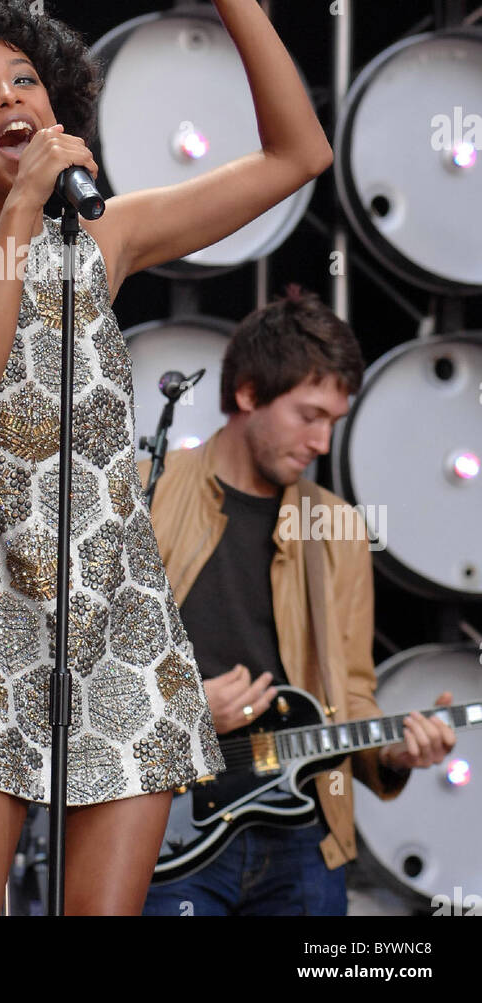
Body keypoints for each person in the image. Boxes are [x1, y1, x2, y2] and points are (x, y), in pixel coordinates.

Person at [0, 0, 333, 916]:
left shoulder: (104, 236)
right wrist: (26, 207)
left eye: (24, 79)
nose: (7, 97)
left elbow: (297, 157)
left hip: (116, 631)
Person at [140, 288, 458, 917]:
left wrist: (394, 750)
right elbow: (80, 664)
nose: (322, 440)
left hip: (301, 837)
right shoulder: (148, 493)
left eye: (334, 422)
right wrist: (184, 708)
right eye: (309, 414)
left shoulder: (337, 528)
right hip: (168, 826)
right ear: (249, 393)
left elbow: (353, 692)